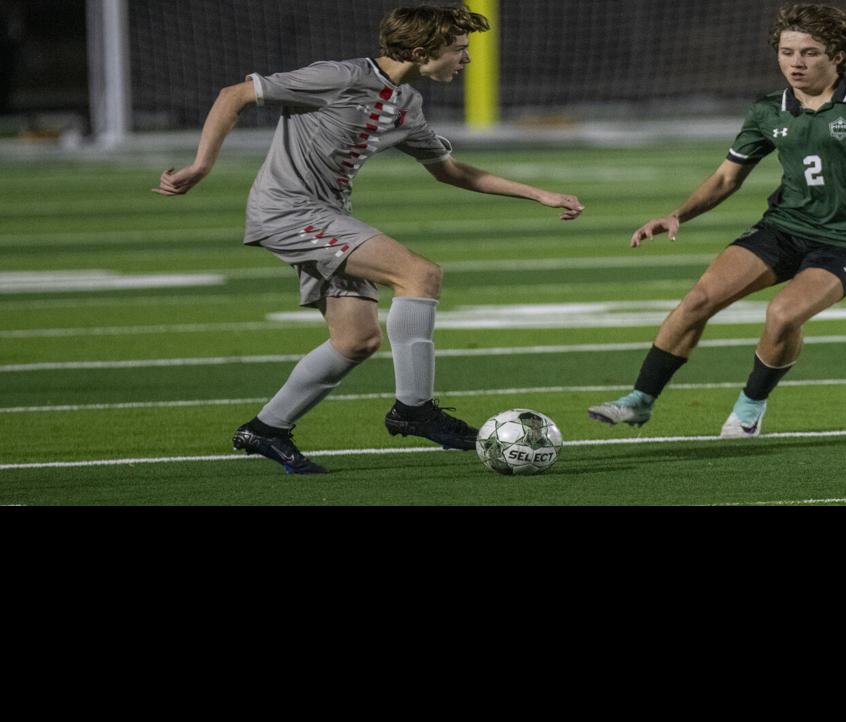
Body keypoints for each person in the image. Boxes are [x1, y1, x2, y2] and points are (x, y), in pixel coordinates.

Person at [154, 4, 583, 474]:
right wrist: (200, 166)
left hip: (326, 217)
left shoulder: (407, 105)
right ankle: (414, 410)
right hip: (287, 211)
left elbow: (451, 171)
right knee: (421, 274)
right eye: (458, 50)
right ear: (421, 52)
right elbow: (233, 94)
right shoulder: (337, 77)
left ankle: (266, 428)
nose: (466, 60)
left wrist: (538, 193)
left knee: (356, 339)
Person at [587, 3, 846, 437]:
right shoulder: (767, 112)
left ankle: (749, 408)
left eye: (810, 53)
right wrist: (677, 214)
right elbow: (725, 178)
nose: (796, 63)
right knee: (698, 301)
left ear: (836, 56)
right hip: (784, 228)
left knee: (782, 317)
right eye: (787, 51)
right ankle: (639, 401)